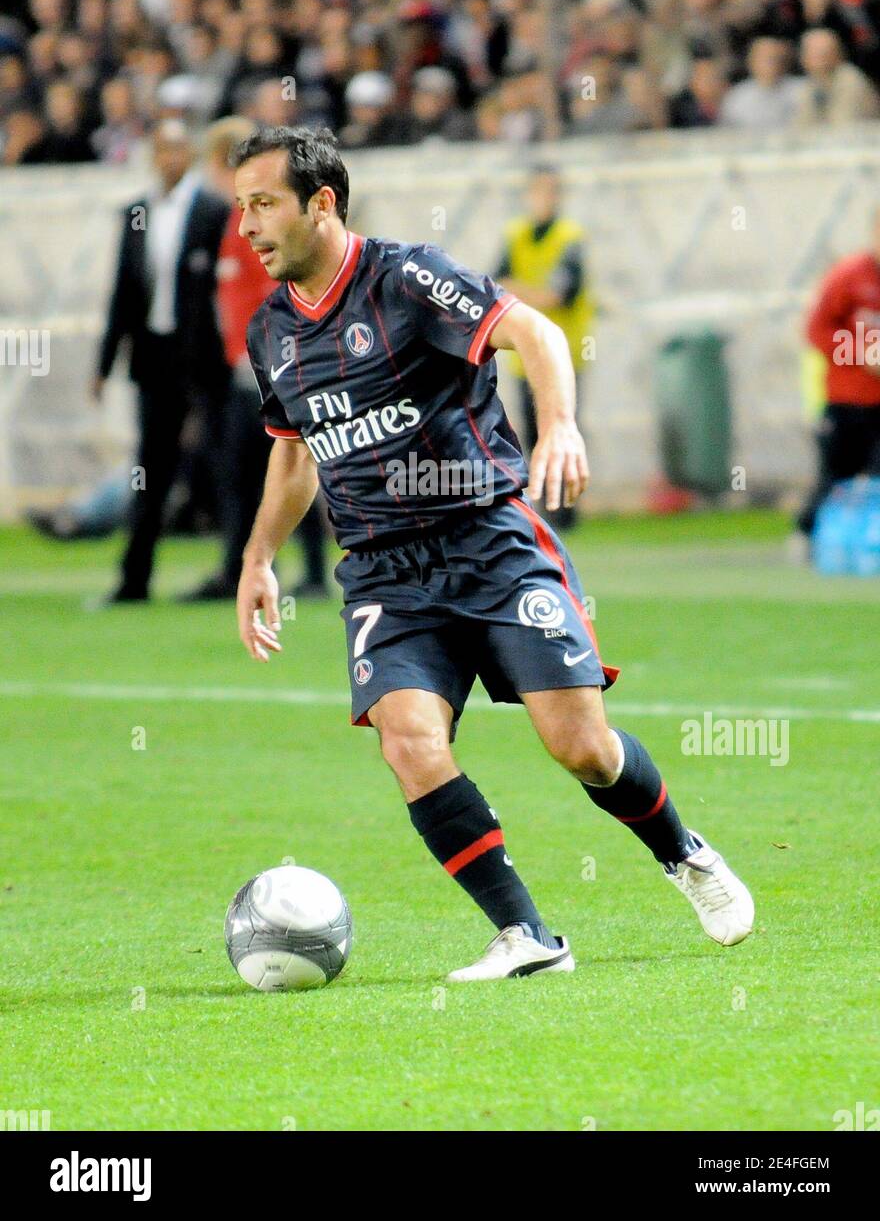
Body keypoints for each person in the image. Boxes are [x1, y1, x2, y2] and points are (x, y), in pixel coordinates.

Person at [232, 124, 754, 982]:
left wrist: (560, 426)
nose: (246, 227)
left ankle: (683, 852)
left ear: (321, 203)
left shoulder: (408, 278)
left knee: (581, 746)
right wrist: (258, 558)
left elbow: (536, 333)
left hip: (488, 541)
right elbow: (293, 449)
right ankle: (528, 937)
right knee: (408, 741)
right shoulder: (271, 332)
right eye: (240, 207)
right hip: (382, 570)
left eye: (263, 204)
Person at [181, 115, 329, 601]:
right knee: (242, 473)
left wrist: (269, 355)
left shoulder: (263, 231)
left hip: (266, 369)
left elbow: (278, 293)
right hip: (242, 368)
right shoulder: (233, 223)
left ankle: (308, 570)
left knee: (289, 461)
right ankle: (252, 567)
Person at [94, 118, 229, 602]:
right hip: (153, 355)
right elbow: (123, 293)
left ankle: (238, 571)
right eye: (161, 150)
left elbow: (228, 289)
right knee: (150, 469)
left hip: (206, 358)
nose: (169, 158)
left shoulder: (215, 210)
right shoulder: (136, 212)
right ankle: (134, 579)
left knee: (223, 464)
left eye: (177, 149)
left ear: (189, 154)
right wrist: (104, 362)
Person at [494, 164, 594, 528]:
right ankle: (543, 503)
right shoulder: (516, 234)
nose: (544, 199)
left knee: (563, 427)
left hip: (565, 354)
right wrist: (533, 295)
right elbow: (494, 285)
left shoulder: (569, 237)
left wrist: (523, 293)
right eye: (539, 191)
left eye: (551, 192)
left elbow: (560, 295)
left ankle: (565, 509)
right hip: (525, 357)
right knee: (532, 432)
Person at [795, 207, 880, 545]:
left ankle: (866, 542)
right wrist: (862, 356)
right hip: (847, 399)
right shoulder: (849, 275)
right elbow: (816, 329)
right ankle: (807, 535)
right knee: (836, 477)